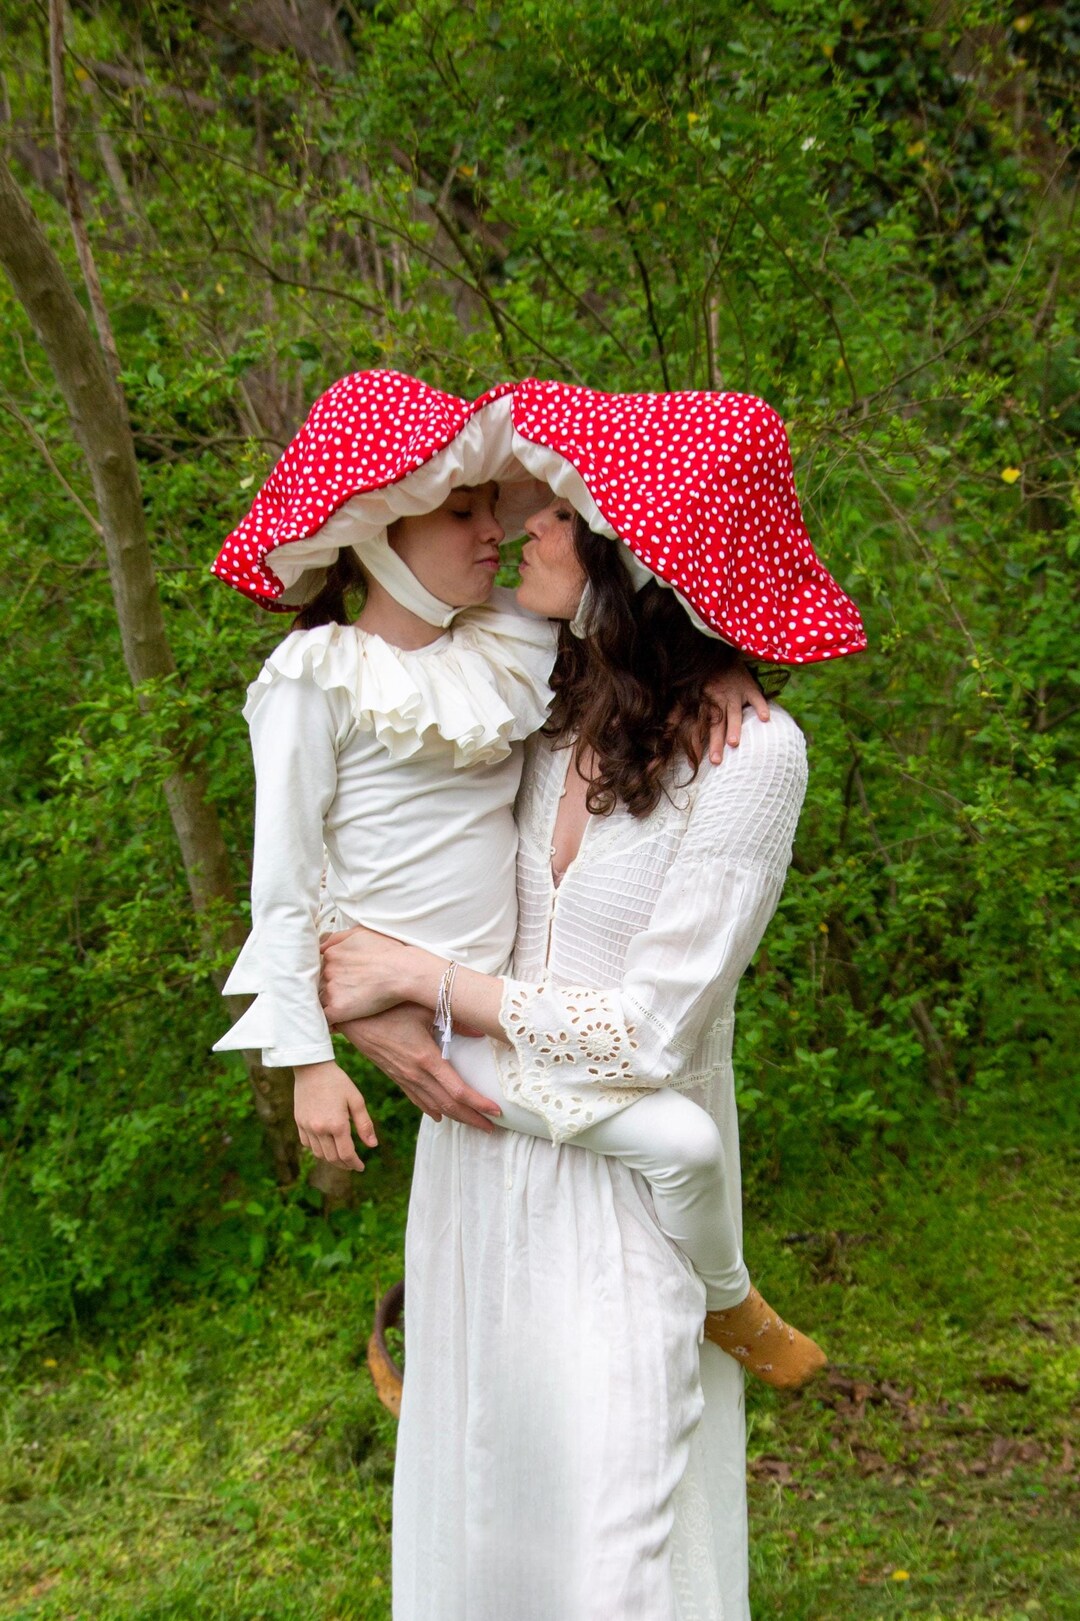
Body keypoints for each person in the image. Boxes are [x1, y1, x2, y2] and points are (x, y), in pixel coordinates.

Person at [213, 370, 866, 1618]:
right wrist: (359, 1009)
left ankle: (726, 1304)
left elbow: (653, 1031)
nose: (528, 526)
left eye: (567, 512)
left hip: (624, 1189)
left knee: (620, 1510)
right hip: (482, 1155)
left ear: (638, 560)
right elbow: (352, 844)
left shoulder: (752, 755)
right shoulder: (550, 705)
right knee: (483, 1494)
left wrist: (421, 981)